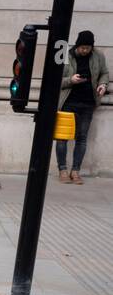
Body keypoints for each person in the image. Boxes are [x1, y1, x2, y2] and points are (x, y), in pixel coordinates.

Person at [56, 30, 107, 184]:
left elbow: (104, 73)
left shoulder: (98, 56)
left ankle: (75, 171)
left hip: (87, 103)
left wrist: (103, 84)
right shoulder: (66, 55)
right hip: (68, 102)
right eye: (82, 47)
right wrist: (70, 80)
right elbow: (55, 79)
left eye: (88, 48)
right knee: (62, 138)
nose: (85, 50)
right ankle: (63, 170)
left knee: (82, 138)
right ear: (77, 45)